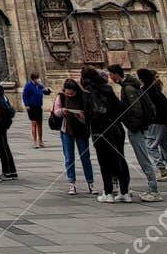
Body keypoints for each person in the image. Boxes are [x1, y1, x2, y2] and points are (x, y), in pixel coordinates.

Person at [107, 65, 161, 201]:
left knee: (143, 158)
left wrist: (133, 125)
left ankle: (154, 190)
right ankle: (152, 187)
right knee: (143, 156)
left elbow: (136, 109)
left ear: (115, 74)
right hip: (136, 127)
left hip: (136, 128)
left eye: (110, 74)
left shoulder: (128, 88)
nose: (110, 77)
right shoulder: (129, 86)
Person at [80, 67, 131, 202]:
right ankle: (125, 192)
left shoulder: (87, 92)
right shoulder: (107, 88)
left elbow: (87, 114)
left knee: (104, 161)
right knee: (120, 158)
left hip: (99, 130)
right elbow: (119, 108)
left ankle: (108, 193)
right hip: (116, 128)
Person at [55, 77, 94, 194]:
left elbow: (88, 115)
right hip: (67, 130)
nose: (70, 95)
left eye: (72, 94)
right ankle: (71, 183)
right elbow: (55, 111)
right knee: (69, 157)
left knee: (85, 157)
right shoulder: (61, 97)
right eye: (68, 93)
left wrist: (81, 116)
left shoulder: (83, 97)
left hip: (81, 130)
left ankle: (90, 183)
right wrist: (62, 111)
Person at [137, 67, 167, 179]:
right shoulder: (155, 89)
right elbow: (165, 104)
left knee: (151, 146)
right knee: (166, 146)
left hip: (155, 122)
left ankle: (162, 169)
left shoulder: (145, 90)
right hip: (164, 121)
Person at [0, 80, 18, 179]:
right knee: (5, 146)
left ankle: (7, 171)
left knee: (1, 147)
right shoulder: (3, 96)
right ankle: (12, 170)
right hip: (4, 123)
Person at [22, 70, 49, 148]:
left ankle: (40, 141)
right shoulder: (28, 85)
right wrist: (26, 105)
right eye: (37, 78)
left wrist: (47, 89)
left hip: (38, 106)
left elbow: (45, 92)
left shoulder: (39, 85)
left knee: (40, 124)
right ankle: (35, 141)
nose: (38, 79)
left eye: (38, 78)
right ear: (33, 79)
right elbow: (24, 96)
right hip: (31, 107)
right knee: (34, 124)